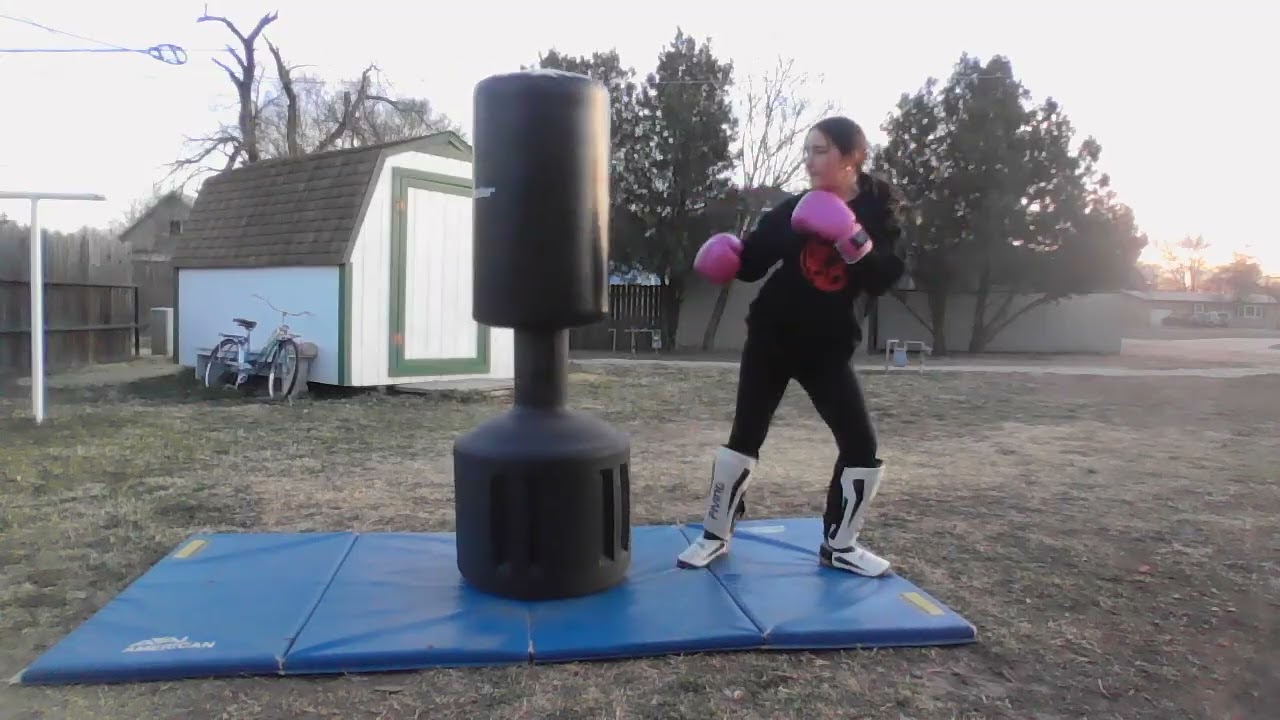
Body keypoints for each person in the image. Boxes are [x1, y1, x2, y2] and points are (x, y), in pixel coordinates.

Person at [676, 116, 908, 577]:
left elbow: (885, 277)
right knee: (746, 436)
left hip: (827, 347)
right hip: (773, 336)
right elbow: (755, 260)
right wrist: (730, 255)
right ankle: (715, 535)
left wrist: (850, 238)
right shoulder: (795, 207)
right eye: (807, 151)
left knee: (861, 445)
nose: (810, 160)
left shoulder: (878, 212)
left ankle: (840, 545)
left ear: (851, 156)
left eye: (820, 150)